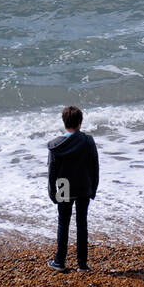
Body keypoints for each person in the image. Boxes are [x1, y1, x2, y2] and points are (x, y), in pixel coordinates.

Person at [46, 105, 99, 273]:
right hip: (84, 184)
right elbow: (94, 166)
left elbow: (52, 171)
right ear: (80, 122)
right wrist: (94, 188)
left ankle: (59, 261)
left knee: (63, 223)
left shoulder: (56, 145)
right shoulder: (88, 141)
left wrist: (52, 192)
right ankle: (82, 264)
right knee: (81, 223)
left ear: (64, 122)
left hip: (64, 185)